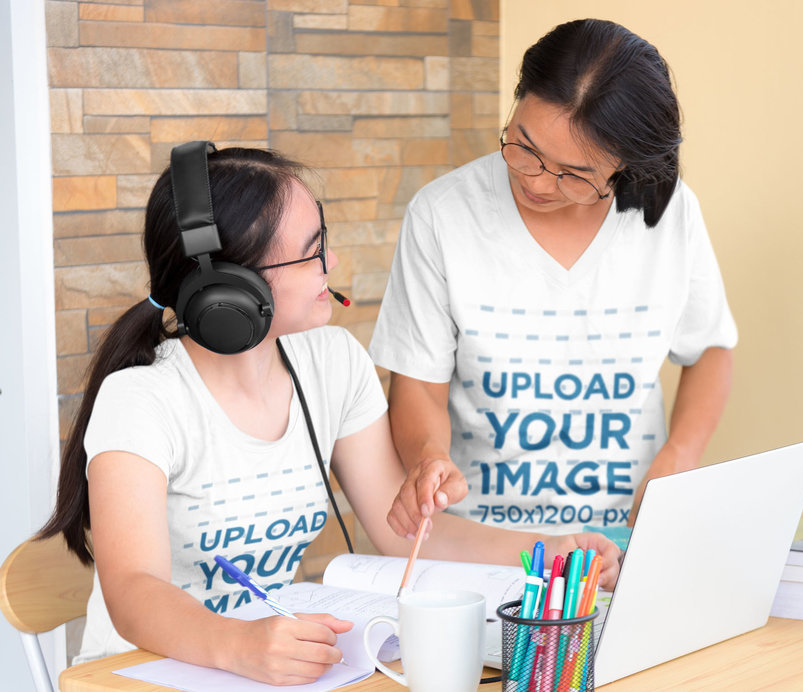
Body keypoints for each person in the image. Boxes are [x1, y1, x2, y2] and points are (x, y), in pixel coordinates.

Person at [38, 144, 619, 687]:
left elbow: (408, 535)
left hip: (266, 671)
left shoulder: (334, 362)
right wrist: (240, 645)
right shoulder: (143, 399)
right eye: (312, 249)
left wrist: (558, 550)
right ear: (230, 288)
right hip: (141, 674)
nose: (332, 261)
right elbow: (133, 588)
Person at [371, 18, 737, 542]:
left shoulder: (669, 214)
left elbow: (709, 350)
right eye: (524, 147)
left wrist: (679, 456)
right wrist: (429, 459)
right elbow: (418, 387)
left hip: (626, 541)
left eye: (575, 174)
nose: (537, 182)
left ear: (625, 168)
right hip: (489, 544)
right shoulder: (444, 214)